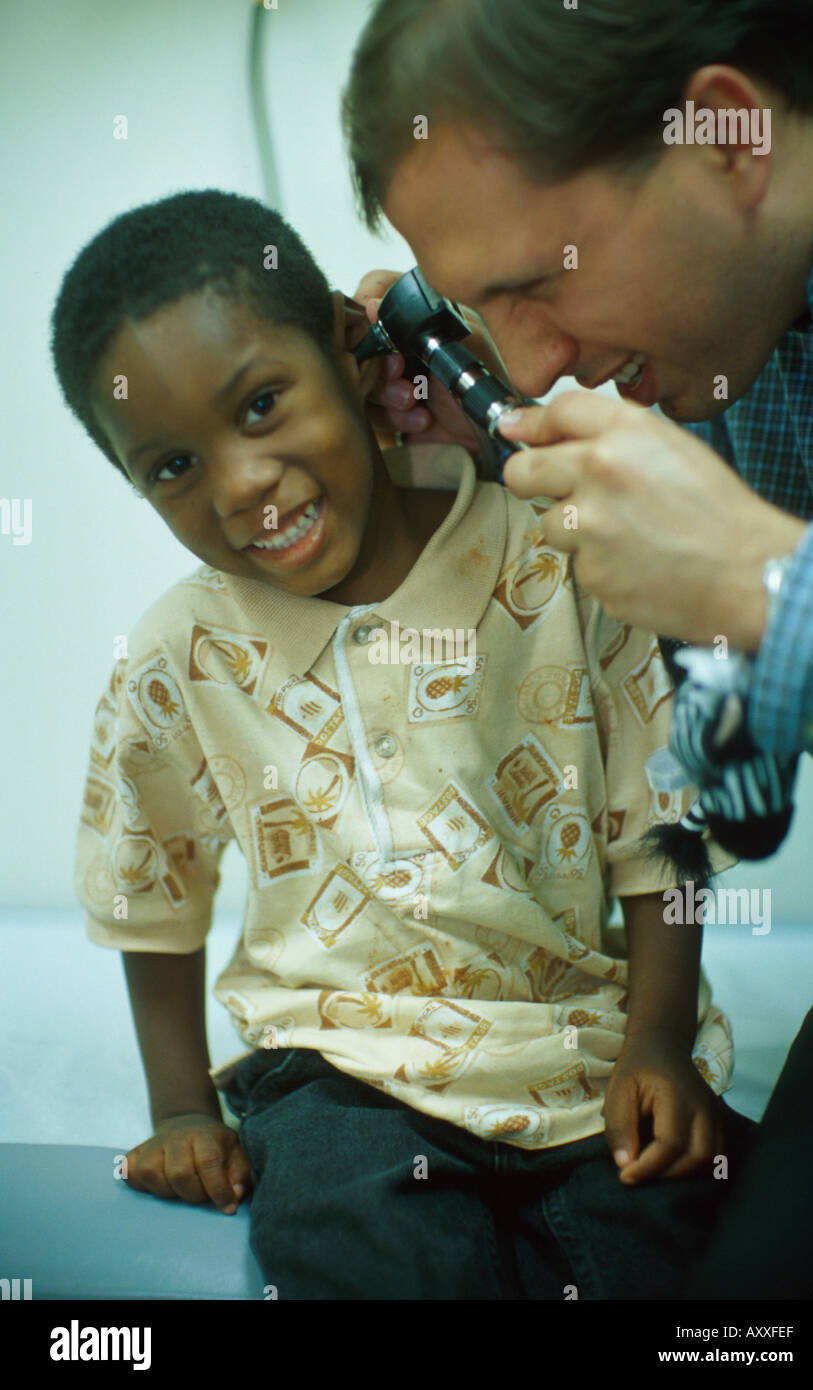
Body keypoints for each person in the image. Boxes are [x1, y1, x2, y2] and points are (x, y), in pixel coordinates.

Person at [52, 188, 750, 1301]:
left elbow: (657, 819)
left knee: (679, 1239)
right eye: (172, 468)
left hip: (576, 1048)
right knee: (365, 1245)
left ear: (353, 347)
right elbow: (153, 887)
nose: (241, 485)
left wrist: (658, 1036)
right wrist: (183, 1105)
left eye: (264, 403)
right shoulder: (178, 653)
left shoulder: (553, 557)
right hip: (339, 1069)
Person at [341, 0, 813, 1298]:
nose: (532, 359)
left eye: (534, 280)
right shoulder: (721, 354)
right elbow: (749, 803)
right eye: (472, 306)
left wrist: (760, 578)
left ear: (729, 137)